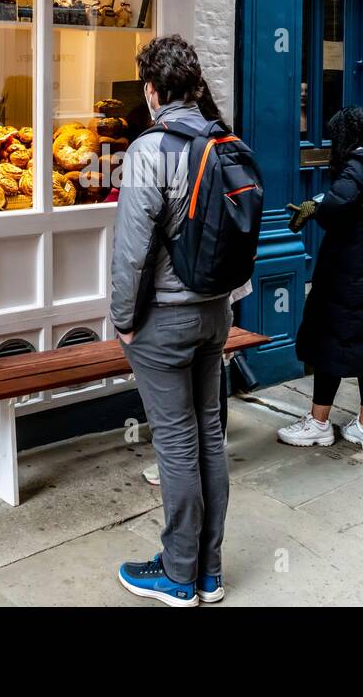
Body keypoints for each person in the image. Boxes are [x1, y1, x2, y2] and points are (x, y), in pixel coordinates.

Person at [111, 35, 234, 607]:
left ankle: (179, 575)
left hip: (166, 317)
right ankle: (208, 571)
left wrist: (122, 320)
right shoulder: (223, 139)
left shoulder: (148, 149)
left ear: (152, 90)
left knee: (178, 443)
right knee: (209, 432)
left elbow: (132, 250)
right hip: (215, 313)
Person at [278, 107, 363, 451]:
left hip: (347, 273)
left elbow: (337, 209)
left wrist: (316, 208)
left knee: (330, 342)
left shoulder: (357, 167)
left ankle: (319, 423)